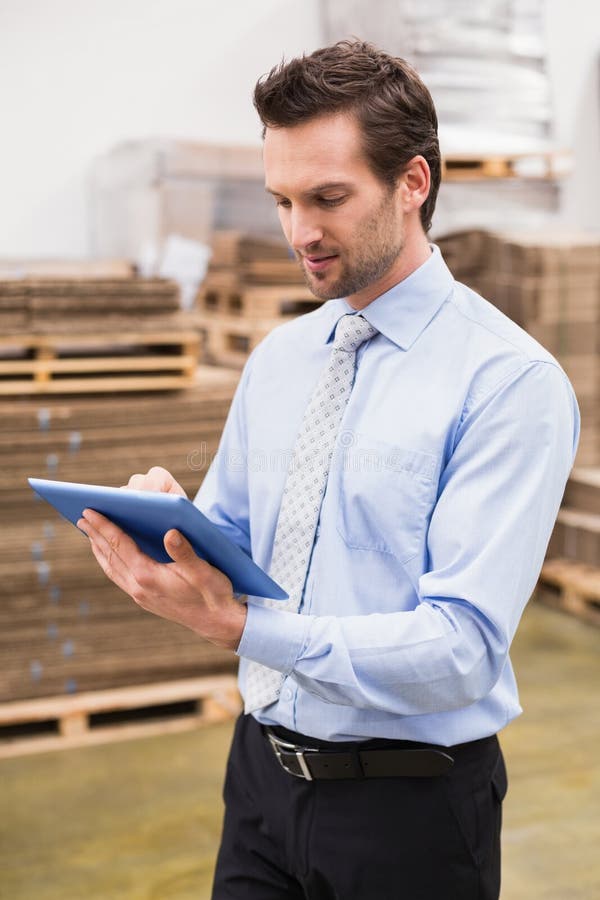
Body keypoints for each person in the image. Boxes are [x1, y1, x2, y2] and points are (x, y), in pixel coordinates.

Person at [78, 40, 580, 900]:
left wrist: (246, 632)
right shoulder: (283, 357)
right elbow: (244, 542)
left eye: (328, 198)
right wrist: (173, 530)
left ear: (413, 182)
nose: (300, 232)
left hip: (410, 812)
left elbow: (459, 645)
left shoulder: (507, 383)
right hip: (262, 783)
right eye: (282, 200)